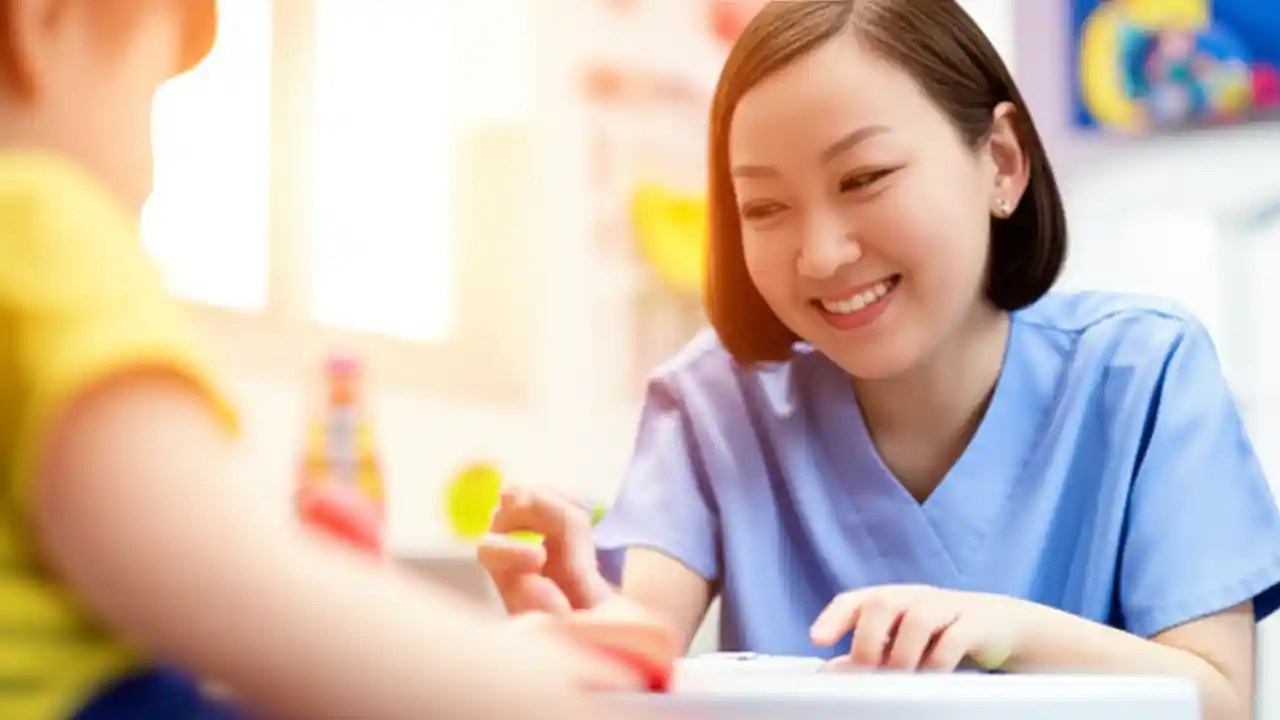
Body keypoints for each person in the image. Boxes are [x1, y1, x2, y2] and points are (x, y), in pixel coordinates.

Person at [479, 2, 1280, 719]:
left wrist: (1005, 629)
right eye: (764, 206)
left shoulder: (1142, 372)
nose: (821, 255)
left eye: (864, 178)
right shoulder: (713, 403)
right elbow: (641, 637)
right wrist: (589, 630)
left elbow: (1216, 699)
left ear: (1000, 161)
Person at [0, 1, 675, 718]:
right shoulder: (39, 214)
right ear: (45, 26)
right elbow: (226, 585)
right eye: (153, 93)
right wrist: (529, 689)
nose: (155, 172)